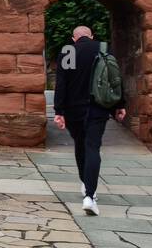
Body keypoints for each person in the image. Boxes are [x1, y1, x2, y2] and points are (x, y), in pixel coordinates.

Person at [53, 25, 126, 216]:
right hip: (98, 107)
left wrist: (59, 110)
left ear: (74, 38)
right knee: (93, 147)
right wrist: (120, 105)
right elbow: (115, 78)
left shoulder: (68, 51)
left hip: (73, 109)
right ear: (91, 36)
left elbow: (62, 83)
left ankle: (85, 184)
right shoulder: (102, 48)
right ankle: (90, 197)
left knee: (80, 144)